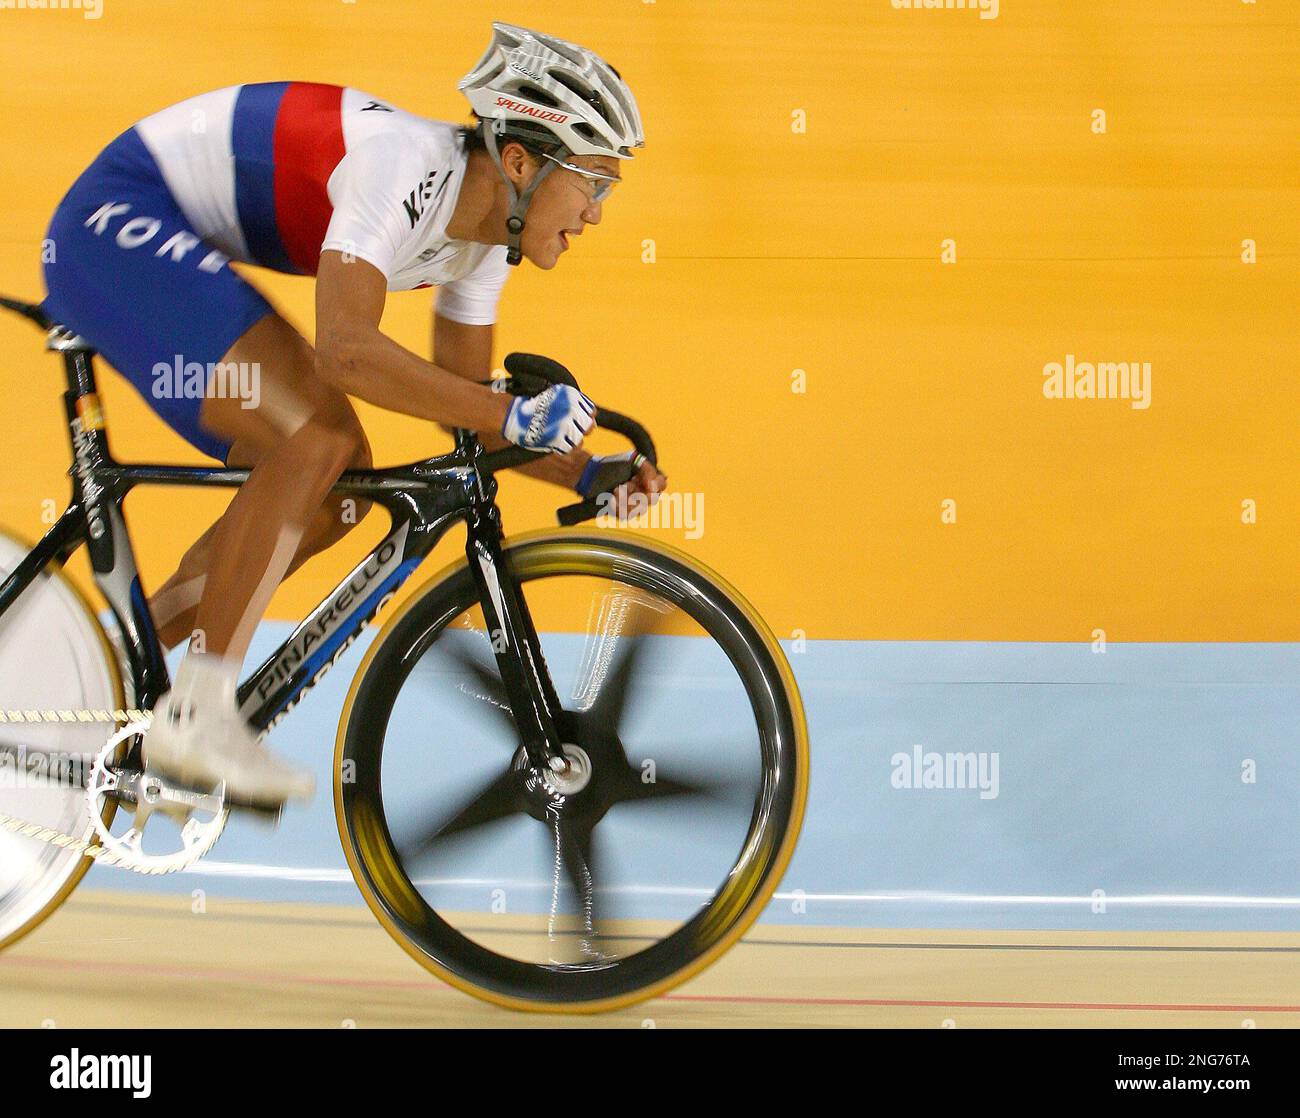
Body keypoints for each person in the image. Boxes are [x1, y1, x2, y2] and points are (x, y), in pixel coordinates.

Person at [38, 21, 667, 810]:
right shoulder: (402, 167)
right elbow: (345, 351)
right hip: (115, 221)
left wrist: (587, 471)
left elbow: (472, 421)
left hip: (165, 239)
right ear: (520, 163)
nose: (598, 213)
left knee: (335, 501)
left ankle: (103, 692)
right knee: (319, 436)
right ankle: (198, 714)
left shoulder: (479, 249)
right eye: (594, 183)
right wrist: (511, 414)